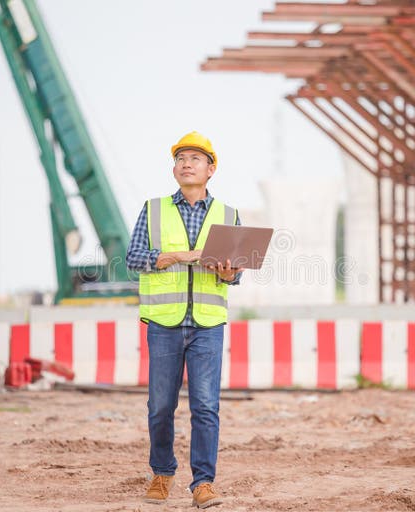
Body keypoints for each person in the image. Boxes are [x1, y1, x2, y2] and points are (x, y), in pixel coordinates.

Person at [125, 131, 242, 509]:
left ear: (211, 169)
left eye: (194, 159)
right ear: (174, 169)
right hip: (165, 322)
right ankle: (162, 473)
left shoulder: (228, 215)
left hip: (207, 323)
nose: (186, 164)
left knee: (205, 407)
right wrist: (175, 256)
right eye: (180, 159)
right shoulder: (153, 208)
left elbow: (235, 276)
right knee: (160, 405)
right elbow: (133, 259)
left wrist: (226, 271)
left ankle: (203, 483)